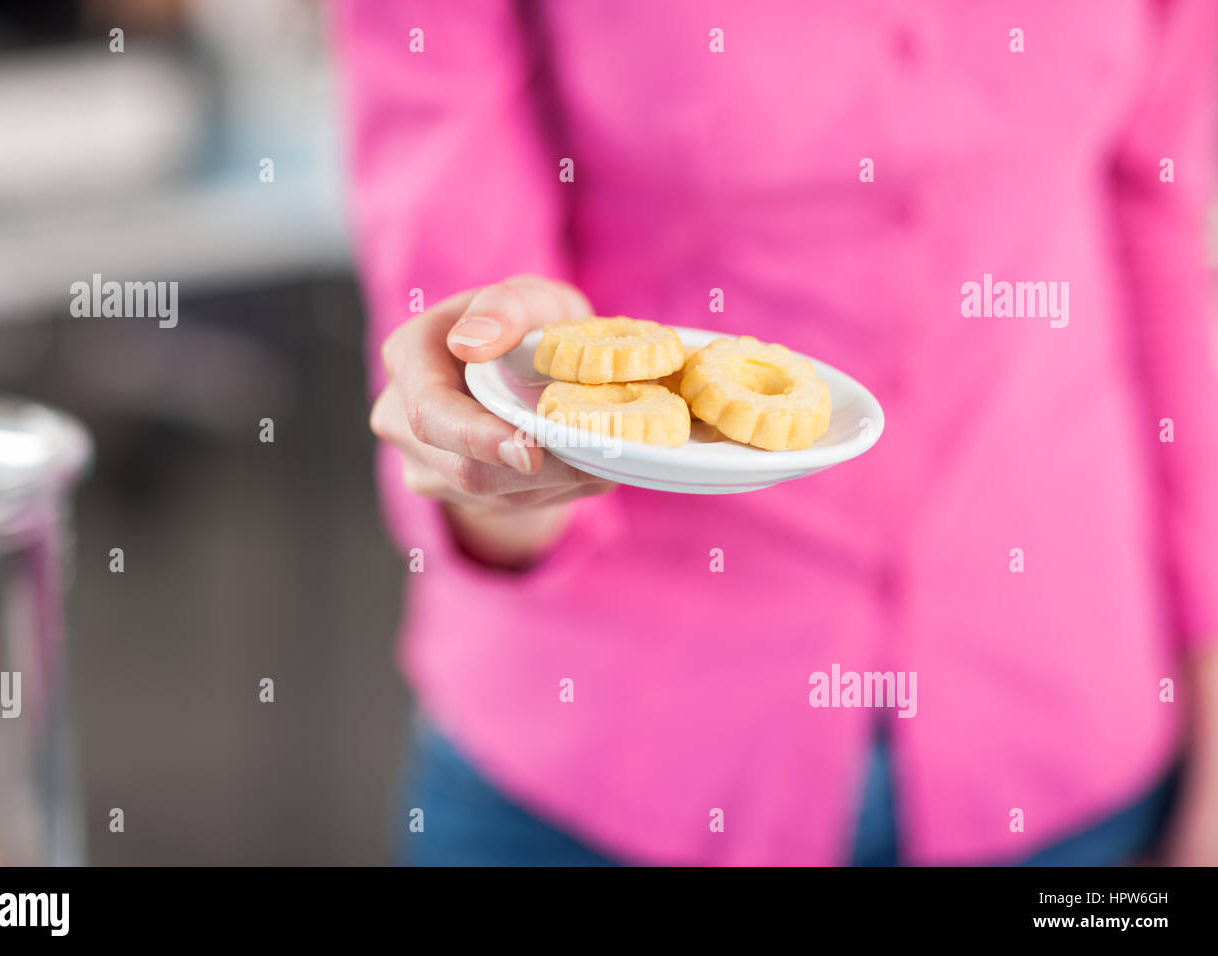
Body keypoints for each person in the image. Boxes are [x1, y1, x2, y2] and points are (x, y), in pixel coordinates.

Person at [336, 0, 1218, 865]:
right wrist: (508, 453)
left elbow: (1165, 250)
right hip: (611, 762)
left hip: (1068, 740)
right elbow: (461, 334)